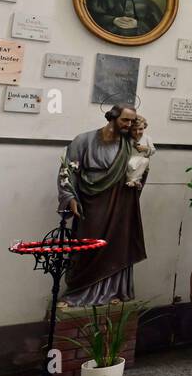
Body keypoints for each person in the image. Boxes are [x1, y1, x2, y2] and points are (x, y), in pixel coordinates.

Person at [57, 105, 147, 306]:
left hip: (121, 202)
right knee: (86, 245)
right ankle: (76, 293)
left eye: (132, 121)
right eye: (125, 120)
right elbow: (67, 171)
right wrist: (70, 197)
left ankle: (115, 291)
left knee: (117, 245)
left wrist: (137, 178)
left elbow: (140, 167)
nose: (129, 125)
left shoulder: (129, 143)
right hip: (90, 202)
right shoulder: (84, 140)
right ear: (112, 117)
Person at [124, 116, 154, 189]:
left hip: (141, 163)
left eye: (140, 129)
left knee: (145, 161)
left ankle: (135, 181)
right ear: (130, 129)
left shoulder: (147, 138)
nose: (137, 132)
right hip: (129, 161)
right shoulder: (127, 138)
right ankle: (132, 181)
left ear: (144, 127)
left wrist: (146, 149)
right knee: (130, 164)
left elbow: (153, 150)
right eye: (134, 130)